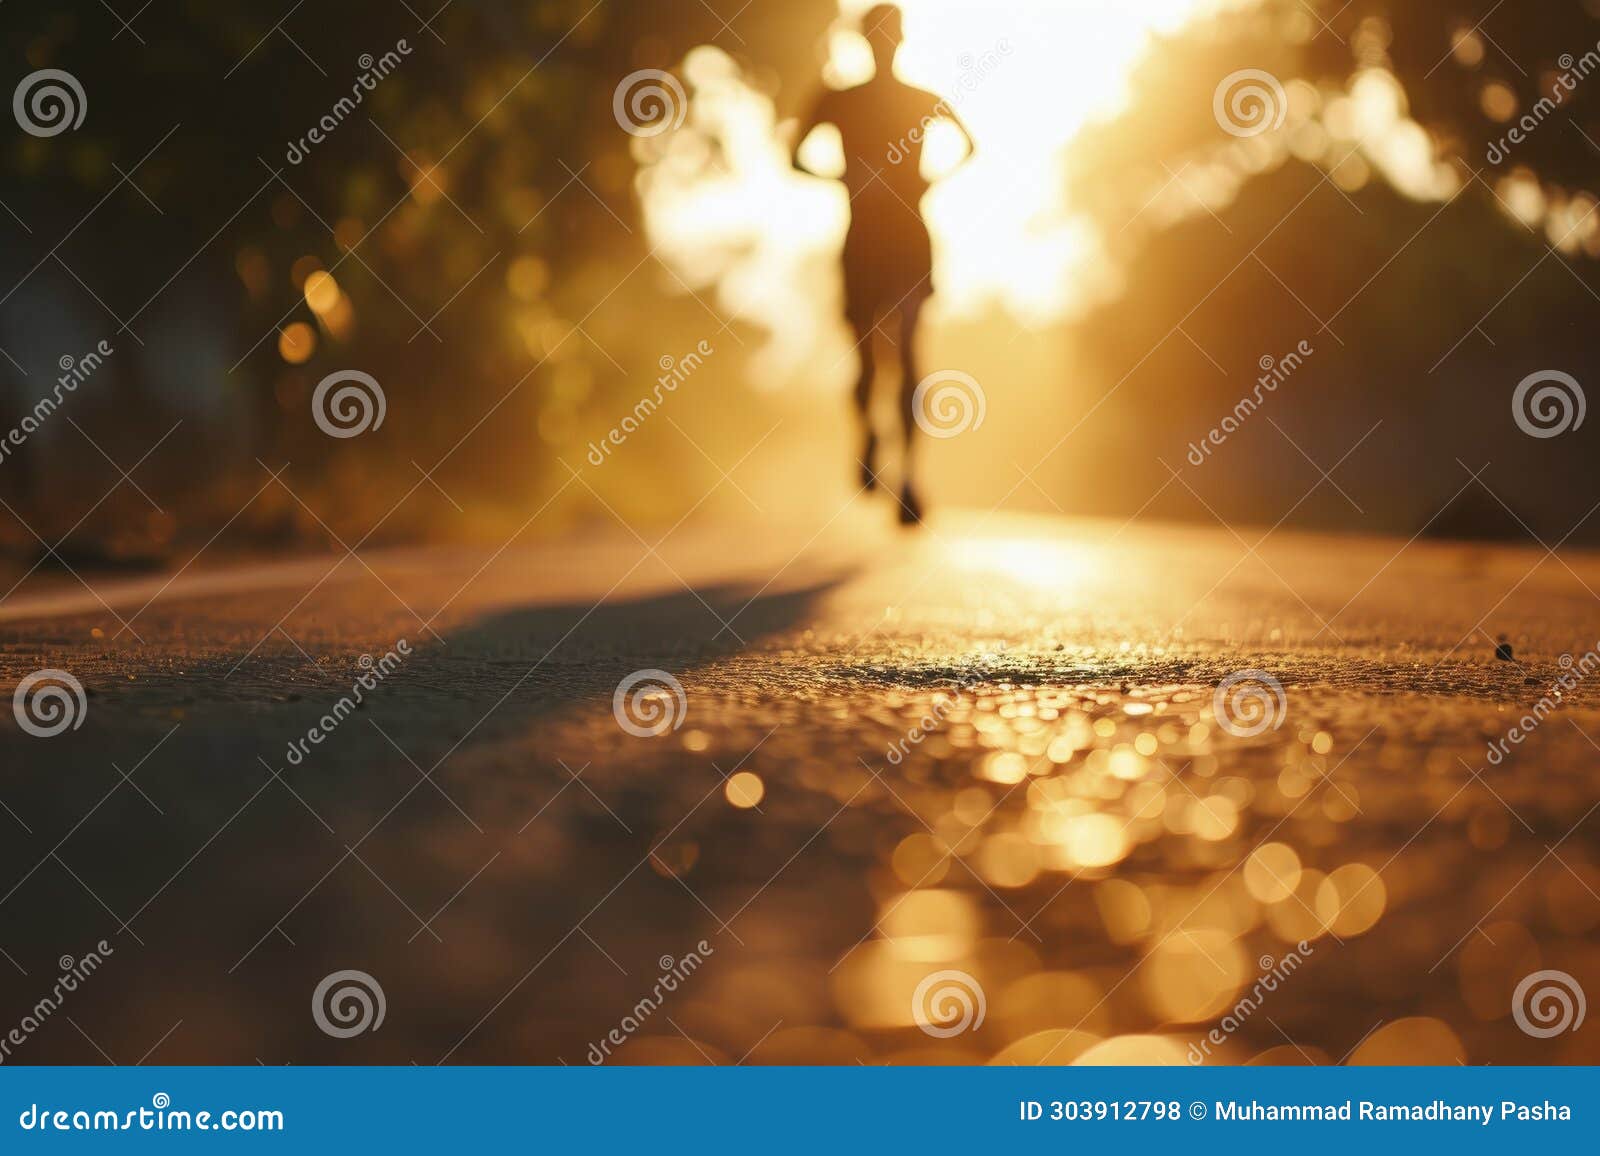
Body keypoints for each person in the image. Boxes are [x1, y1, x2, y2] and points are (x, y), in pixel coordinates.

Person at [792, 2, 973, 525]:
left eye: (890, 35)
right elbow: (794, 155)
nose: (884, 44)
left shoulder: (922, 100)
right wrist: (841, 181)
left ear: (900, 41)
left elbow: (970, 146)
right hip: (863, 242)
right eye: (878, 35)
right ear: (865, 40)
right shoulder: (838, 100)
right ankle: (870, 435)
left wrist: (928, 180)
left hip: (908, 240)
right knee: (868, 361)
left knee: (912, 353)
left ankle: (910, 479)